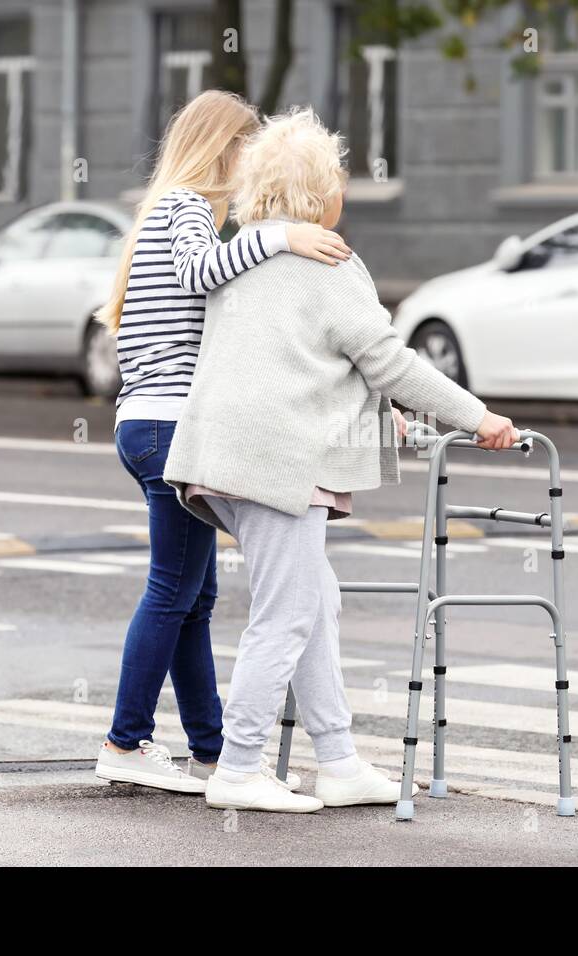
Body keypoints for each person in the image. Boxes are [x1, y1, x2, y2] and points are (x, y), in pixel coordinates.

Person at [163, 108, 519, 812]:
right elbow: (389, 362)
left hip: (218, 457)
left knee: (311, 599)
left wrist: (359, 405)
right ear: (316, 190)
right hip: (276, 462)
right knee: (286, 613)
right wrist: (479, 417)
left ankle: (338, 758)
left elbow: (289, 356)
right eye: (338, 181)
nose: (345, 194)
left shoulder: (246, 252)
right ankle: (237, 766)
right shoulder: (326, 259)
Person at [93, 91, 352, 794]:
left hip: (149, 422)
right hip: (169, 423)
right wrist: (282, 238)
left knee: (192, 593)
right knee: (173, 591)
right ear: (224, 149)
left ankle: (209, 750)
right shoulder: (181, 208)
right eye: (249, 151)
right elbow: (200, 274)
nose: (252, 170)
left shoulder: (166, 211)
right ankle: (127, 740)